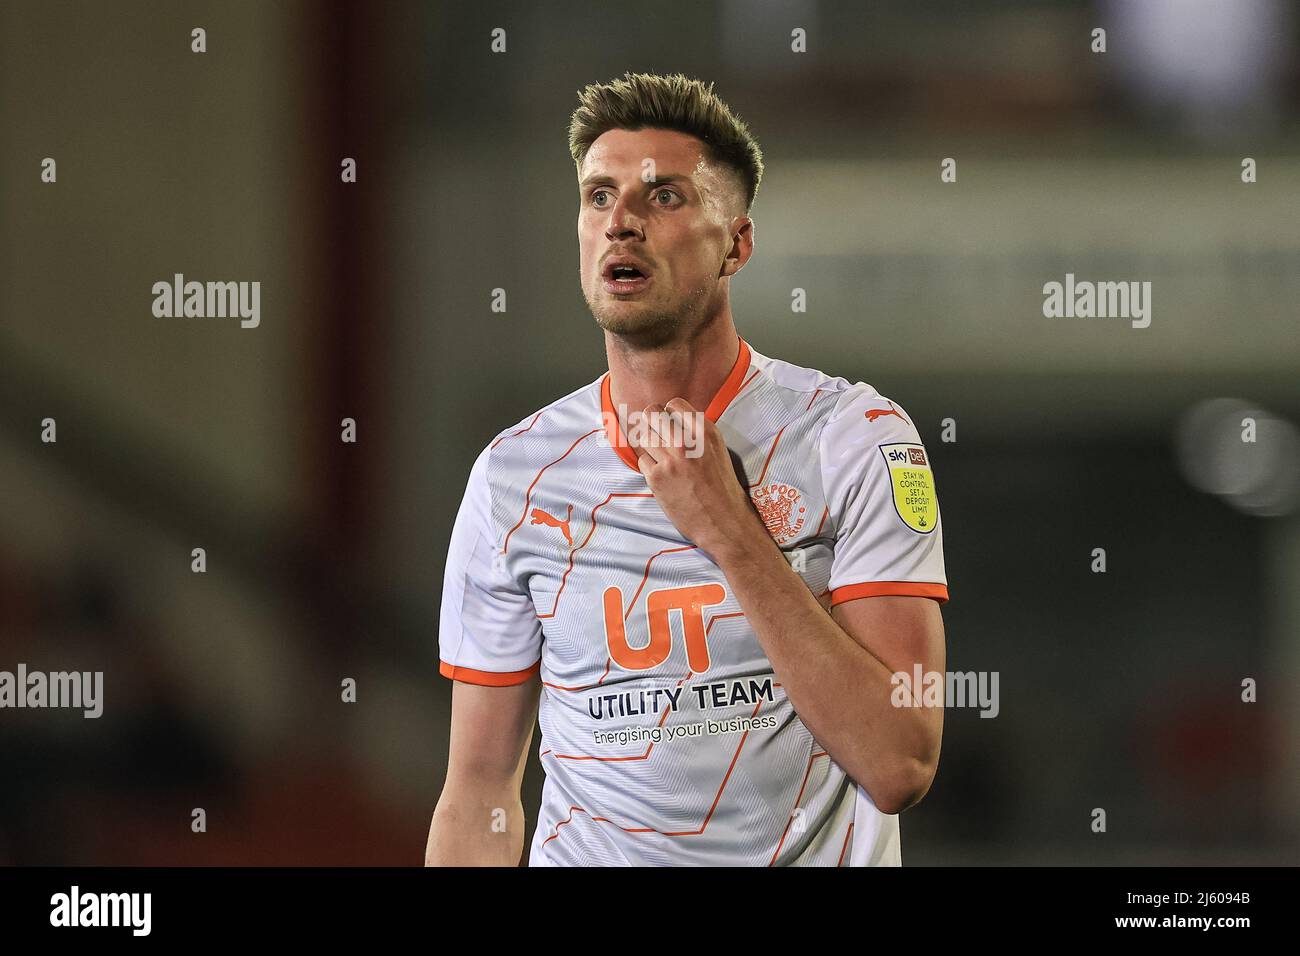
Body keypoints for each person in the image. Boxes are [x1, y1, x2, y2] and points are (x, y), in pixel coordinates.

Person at [426, 72, 949, 866]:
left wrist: (729, 530)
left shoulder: (853, 439)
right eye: (599, 197)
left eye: (663, 196)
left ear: (736, 244)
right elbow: (477, 794)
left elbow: (900, 761)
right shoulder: (513, 475)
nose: (621, 222)